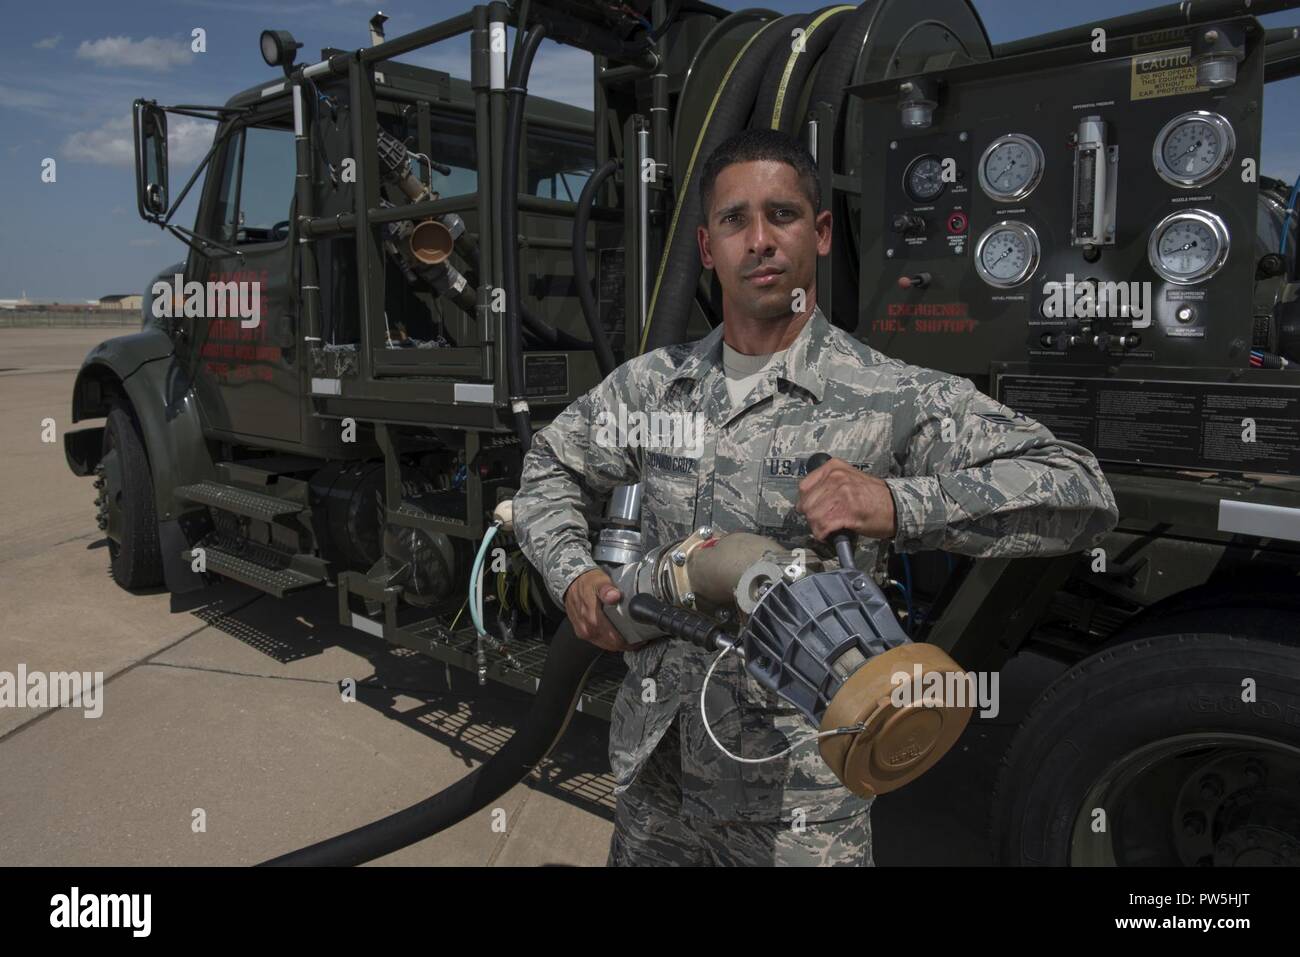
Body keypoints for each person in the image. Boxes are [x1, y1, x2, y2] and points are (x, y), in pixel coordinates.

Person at [512, 127, 1119, 866]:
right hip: (655, 779)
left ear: (821, 232)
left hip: (796, 808)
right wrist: (573, 572)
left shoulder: (888, 393)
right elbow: (549, 461)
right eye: (735, 220)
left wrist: (898, 502)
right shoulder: (652, 386)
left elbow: (1080, 487)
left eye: (783, 215)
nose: (759, 240)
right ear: (708, 248)